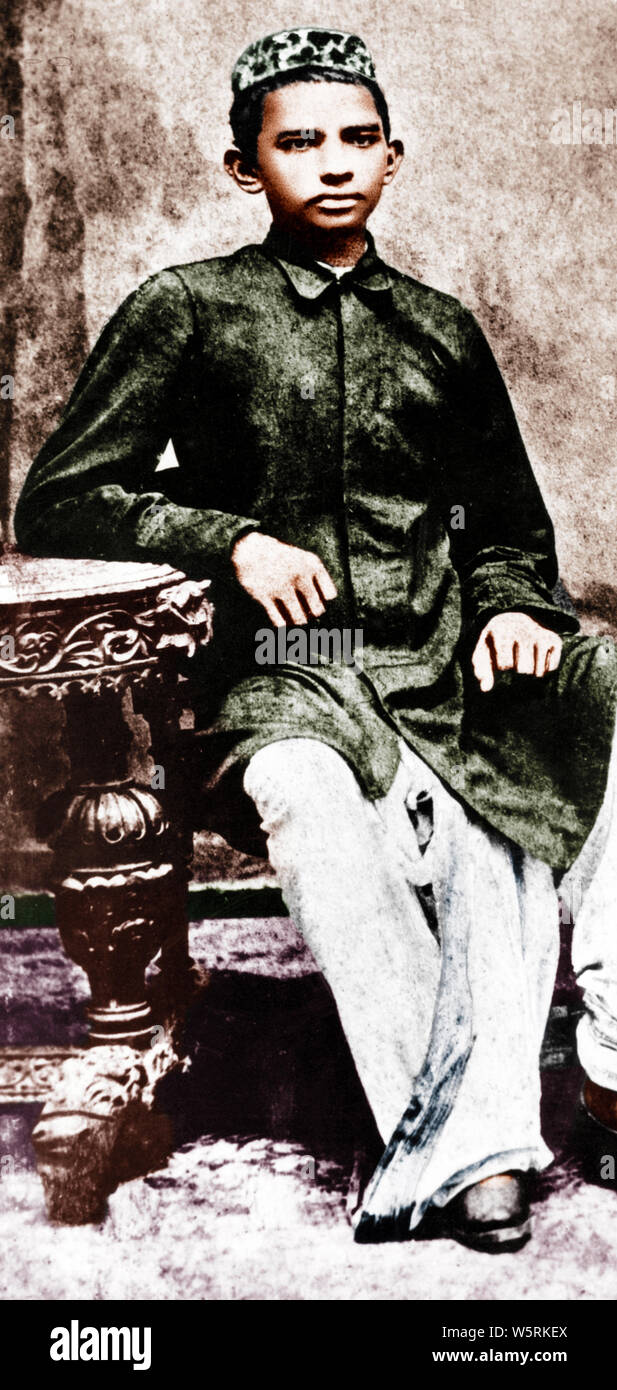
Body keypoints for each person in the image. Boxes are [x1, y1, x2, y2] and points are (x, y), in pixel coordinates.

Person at [14, 27, 617, 1251]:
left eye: (356, 139)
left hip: (440, 657)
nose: (332, 163)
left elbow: (504, 526)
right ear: (246, 167)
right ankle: (467, 1148)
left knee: (583, 713)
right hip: (287, 676)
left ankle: (607, 1070)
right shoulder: (188, 309)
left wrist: (509, 603)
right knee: (307, 792)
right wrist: (227, 537)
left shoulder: (440, 329)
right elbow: (59, 498)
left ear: (391, 158)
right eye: (299, 143)